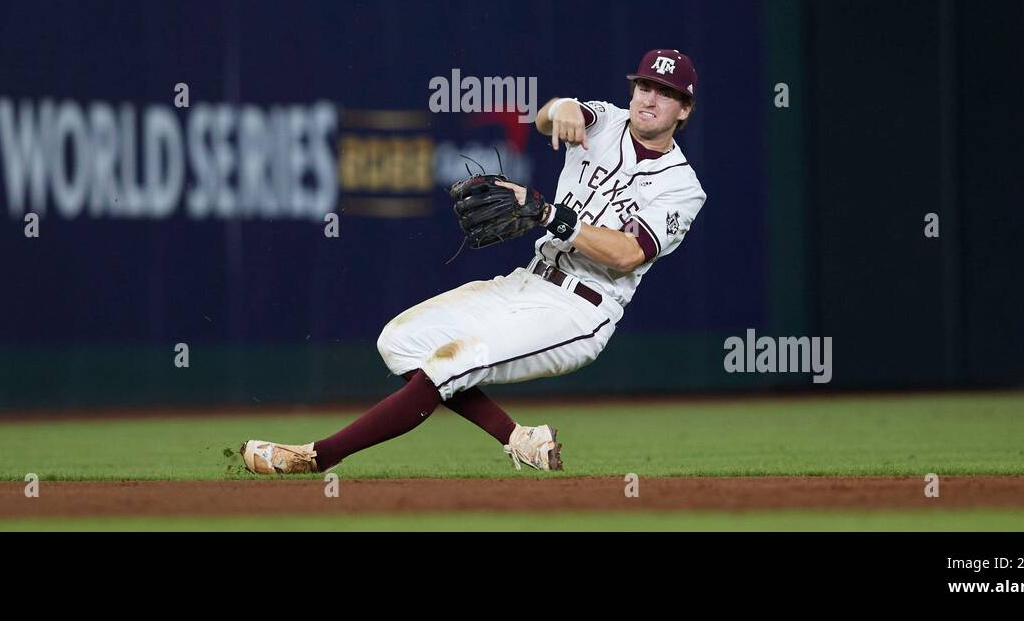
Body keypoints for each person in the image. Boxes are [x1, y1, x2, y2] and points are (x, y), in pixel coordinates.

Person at [242, 49, 708, 474]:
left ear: (683, 110)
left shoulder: (682, 188)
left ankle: (316, 456)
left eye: (665, 94)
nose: (649, 99)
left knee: (454, 363)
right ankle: (518, 438)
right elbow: (551, 118)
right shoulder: (606, 120)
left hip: (581, 309)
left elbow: (626, 255)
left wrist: (550, 214)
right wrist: (560, 105)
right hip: (528, 281)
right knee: (400, 342)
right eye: (644, 86)